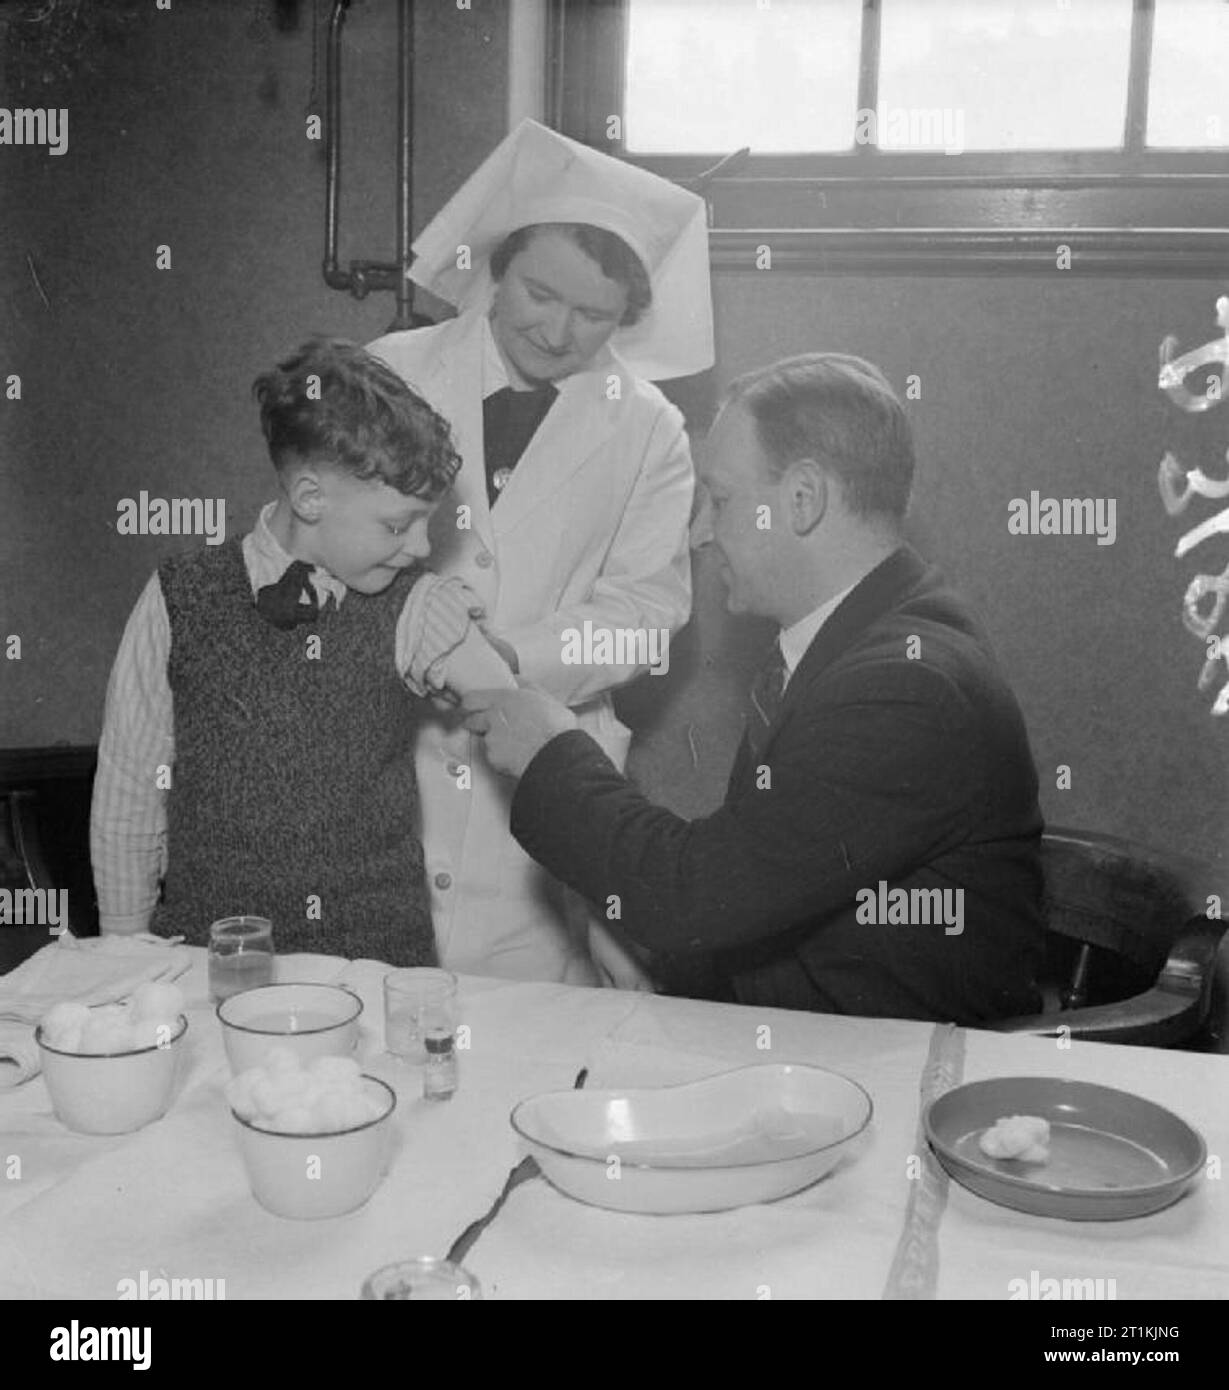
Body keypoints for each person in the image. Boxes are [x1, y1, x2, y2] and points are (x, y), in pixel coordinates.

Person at [462, 353, 1047, 1024]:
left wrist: (550, 751)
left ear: (801, 500)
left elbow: (698, 895)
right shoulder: (858, 639)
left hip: (897, 1072)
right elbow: (756, 877)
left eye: (721, 500)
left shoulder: (906, 689)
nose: (702, 534)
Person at [368, 119, 714, 987]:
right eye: (537, 293)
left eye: (592, 313)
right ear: (496, 264)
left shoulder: (648, 430)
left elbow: (644, 621)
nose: (557, 332)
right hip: (382, 757)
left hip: (540, 775)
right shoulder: (388, 372)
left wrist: (511, 659)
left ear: (631, 317)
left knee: (525, 1040)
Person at [89, 337, 496, 964]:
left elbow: (512, 710)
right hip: (215, 960)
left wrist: (488, 662)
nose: (419, 547)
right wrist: (123, 951)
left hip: (376, 964)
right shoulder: (179, 598)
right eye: (397, 524)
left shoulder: (416, 605)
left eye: (427, 523)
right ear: (310, 499)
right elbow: (129, 788)